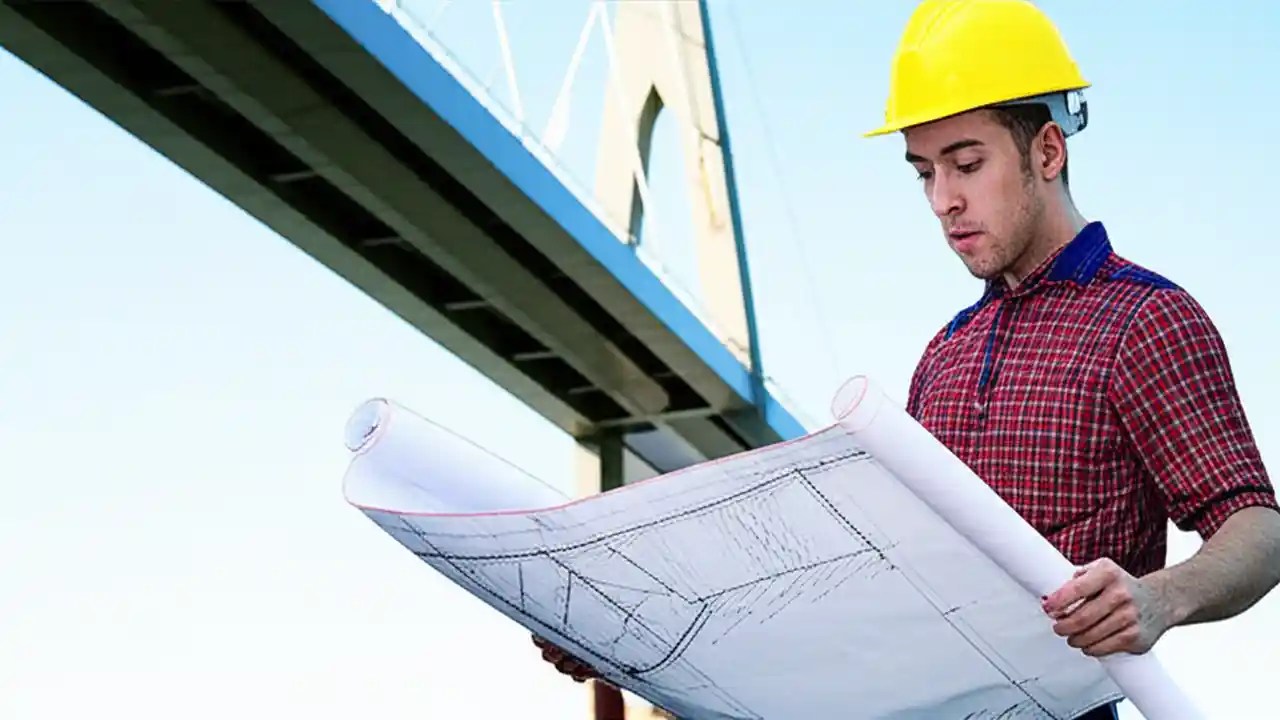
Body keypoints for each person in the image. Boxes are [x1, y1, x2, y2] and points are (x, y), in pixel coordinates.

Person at [537, 1, 1280, 716]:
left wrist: (1160, 597)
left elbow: (1259, 529)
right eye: (925, 172)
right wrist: (632, 636)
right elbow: (883, 580)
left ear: (1047, 150)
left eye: (966, 163)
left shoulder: (1144, 320)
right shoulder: (944, 356)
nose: (943, 200)